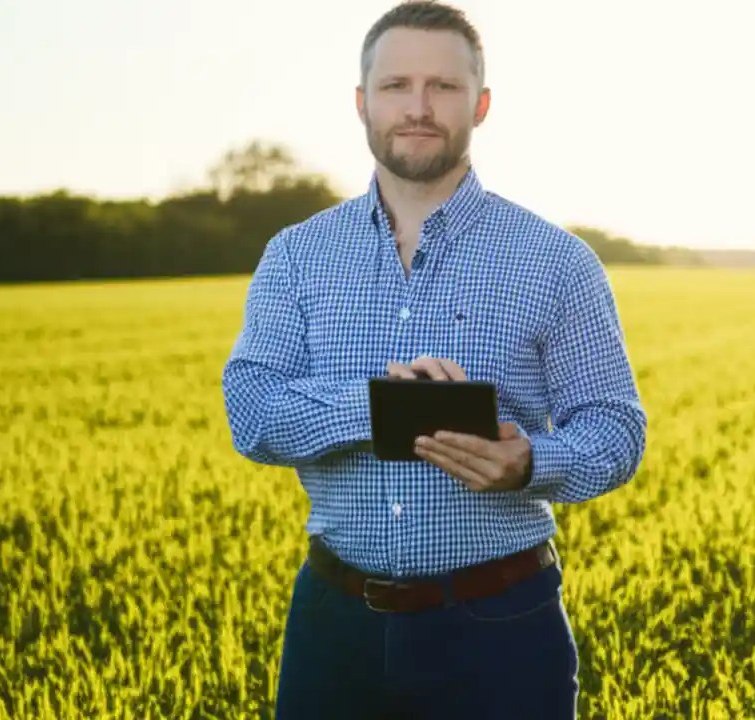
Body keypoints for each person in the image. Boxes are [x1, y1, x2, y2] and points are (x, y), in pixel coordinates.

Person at [219, 1, 648, 717]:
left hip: (504, 627)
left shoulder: (558, 262)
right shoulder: (295, 256)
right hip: (335, 625)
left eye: (443, 88)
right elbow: (251, 414)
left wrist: (530, 462)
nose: (418, 107)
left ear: (479, 105)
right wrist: (381, 403)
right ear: (362, 103)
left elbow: (616, 428)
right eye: (396, 87)